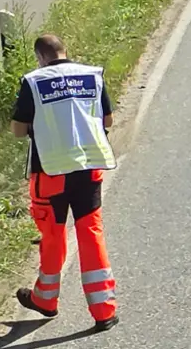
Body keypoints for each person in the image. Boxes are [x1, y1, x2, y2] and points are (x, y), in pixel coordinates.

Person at [10, 34, 119, 329]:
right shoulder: (91, 75)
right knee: (90, 232)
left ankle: (45, 299)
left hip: (51, 171)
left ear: (40, 58)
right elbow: (107, 121)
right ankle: (104, 310)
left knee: (54, 235)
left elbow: (19, 130)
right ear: (64, 51)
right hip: (88, 167)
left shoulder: (33, 81)